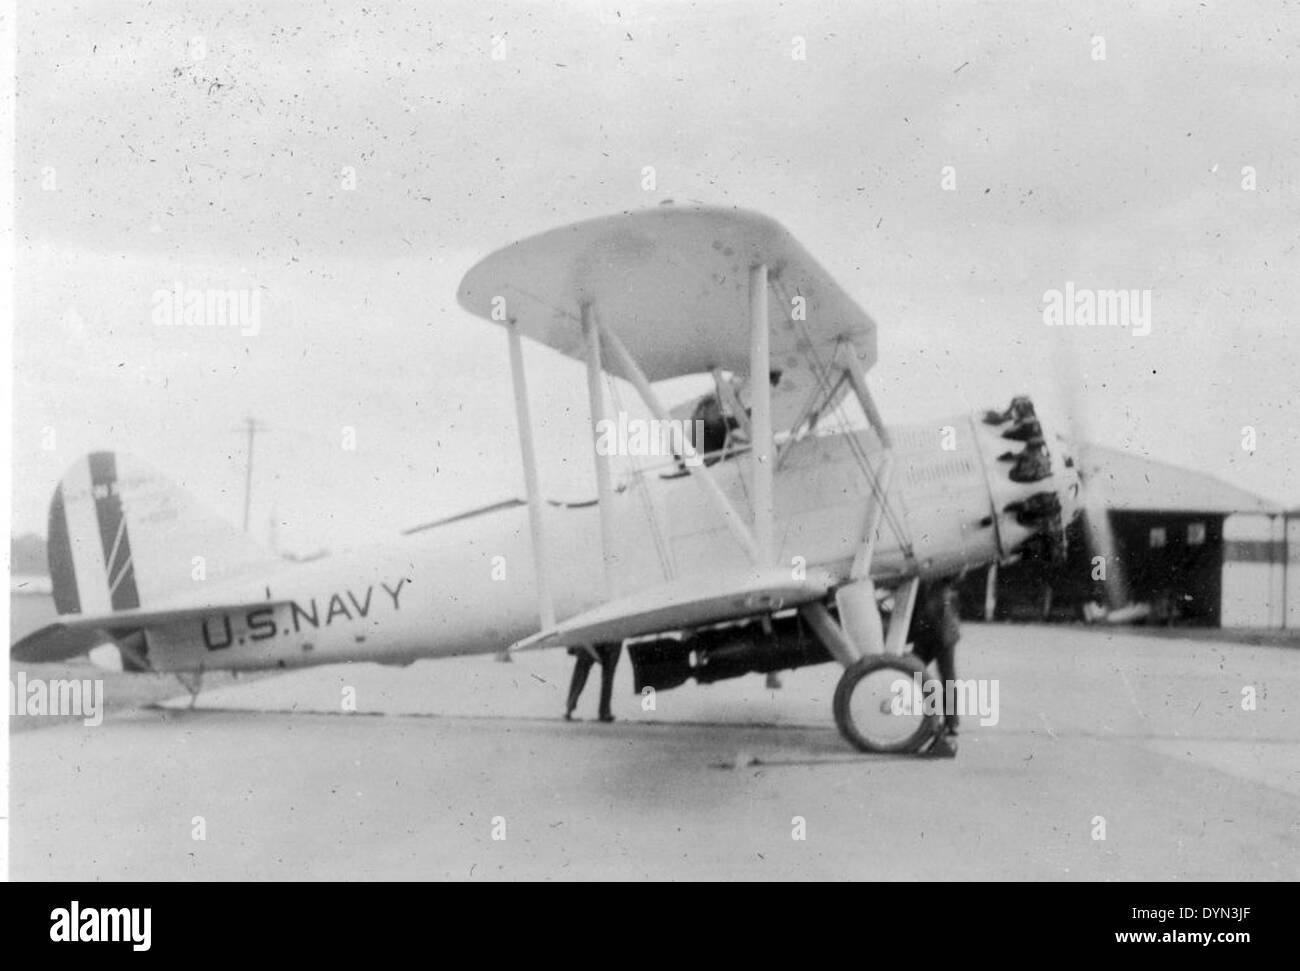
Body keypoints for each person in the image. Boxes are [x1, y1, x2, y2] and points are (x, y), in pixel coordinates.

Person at [907, 579, 962, 756]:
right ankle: (945, 722)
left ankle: (950, 723)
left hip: (941, 632)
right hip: (930, 631)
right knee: (915, 673)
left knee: (941, 678)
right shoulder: (933, 581)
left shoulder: (940, 579)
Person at [564, 642, 622, 722]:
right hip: (608, 638)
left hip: (600, 638)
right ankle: (604, 712)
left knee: (582, 670)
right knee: (607, 675)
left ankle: (569, 709)